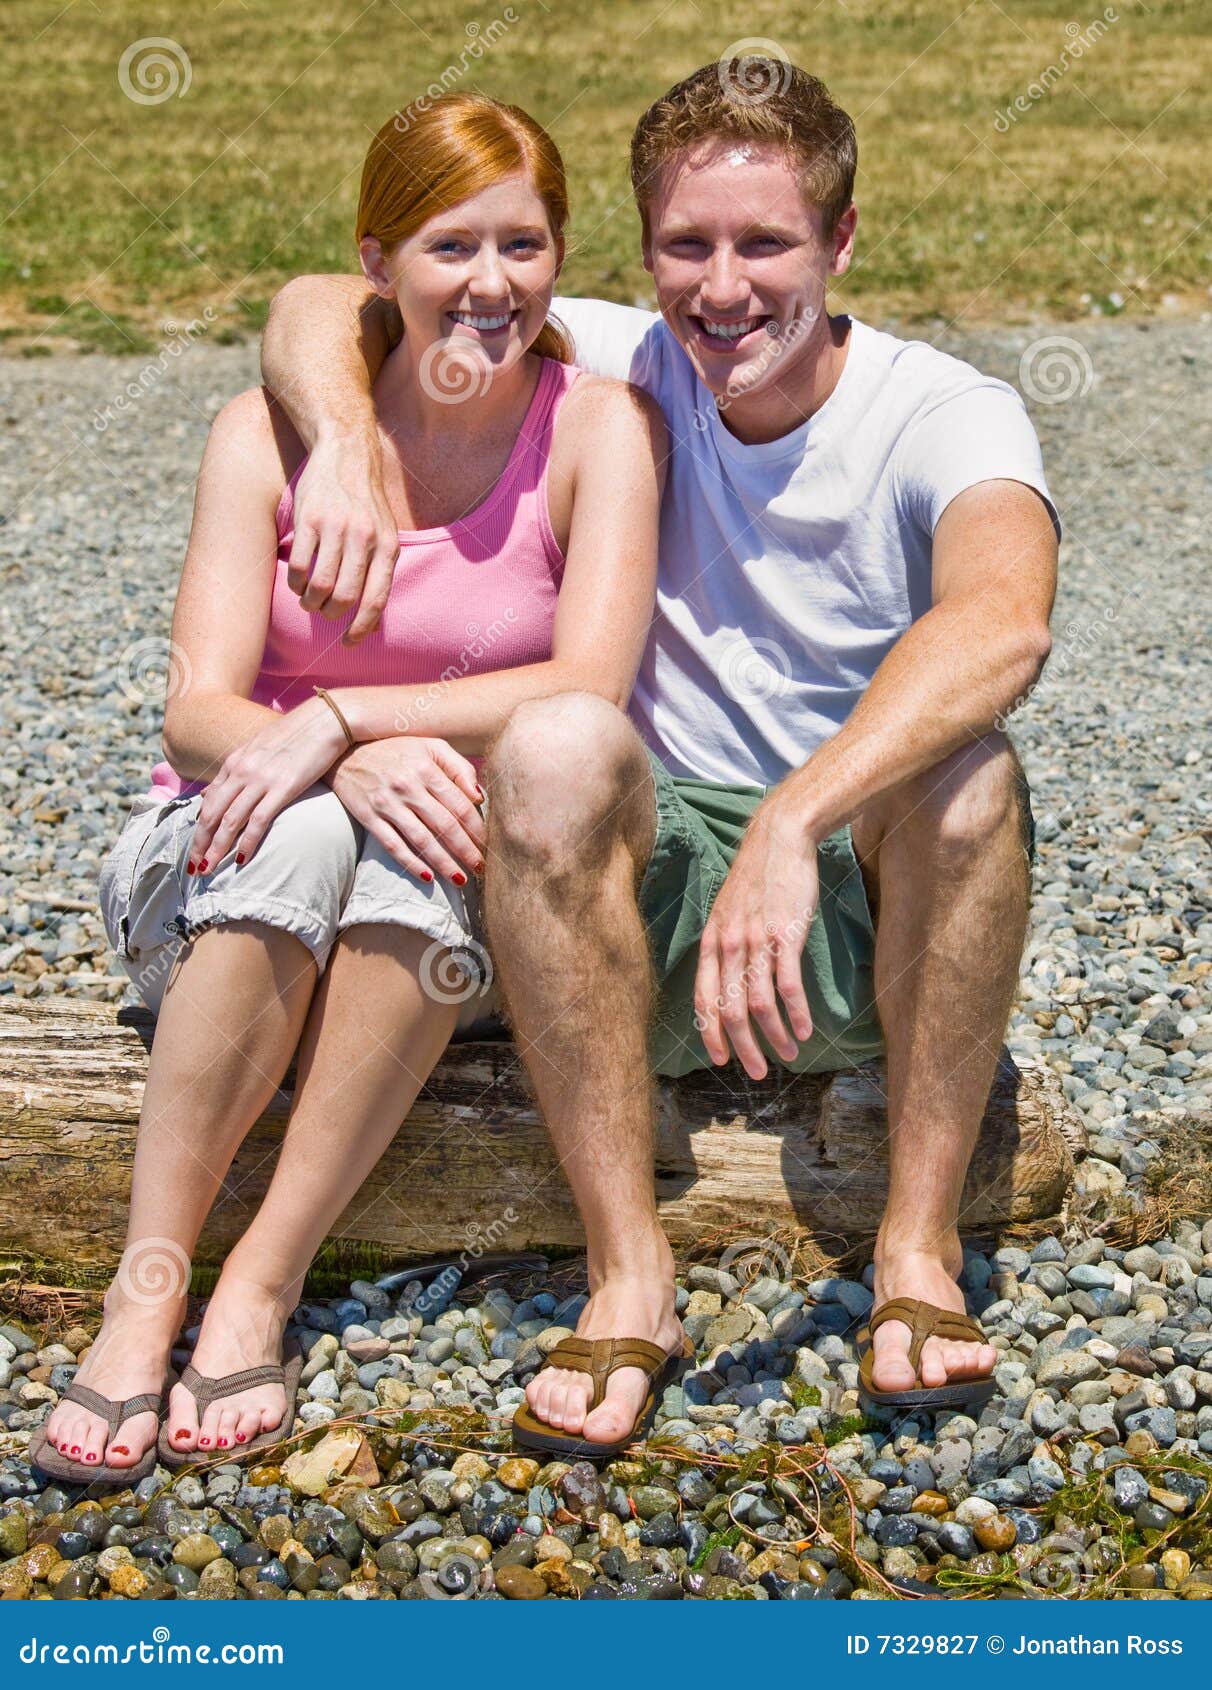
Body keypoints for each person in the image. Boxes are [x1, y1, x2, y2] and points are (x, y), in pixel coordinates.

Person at [258, 56, 1061, 1447]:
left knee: (974, 774)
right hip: (644, 899)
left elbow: (1004, 624)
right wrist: (336, 436)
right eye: (687, 246)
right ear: (644, 253)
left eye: (766, 244)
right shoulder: (637, 355)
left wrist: (794, 819)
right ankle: (628, 1270)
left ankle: (916, 1248)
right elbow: (321, 299)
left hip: (856, 906)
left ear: (843, 241)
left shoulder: (948, 411)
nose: (724, 288)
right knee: (559, 742)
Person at [30, 92, 664, 1484]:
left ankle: (258, 1285)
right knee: (312, 828)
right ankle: (143, 1297)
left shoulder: (597, 431)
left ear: (562, 256)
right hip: (224, 847)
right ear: (376, 262)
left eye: (525, 245)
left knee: (417, 832)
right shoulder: (266, 438)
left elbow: (588, 681)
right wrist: (334, 755)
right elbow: (196, 710)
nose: (492, 284)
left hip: (440, 877)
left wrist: (342, 716)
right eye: (451, 247)